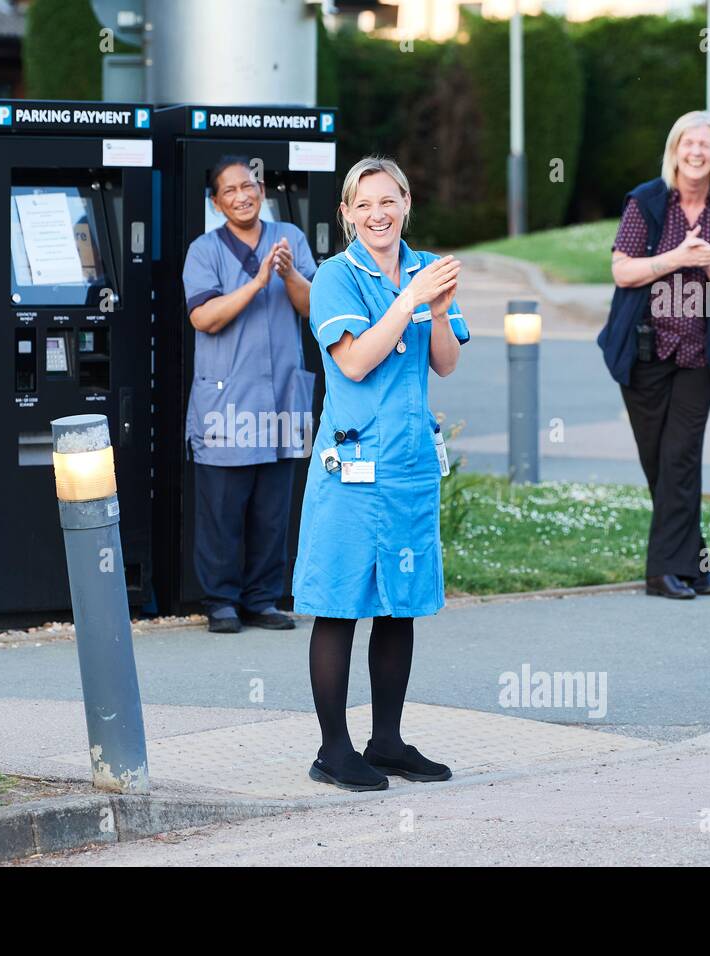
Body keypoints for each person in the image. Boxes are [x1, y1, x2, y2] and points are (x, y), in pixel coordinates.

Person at [292, 156, 470, 792]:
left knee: (400, 607)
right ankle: (332, 750)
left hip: (410, 465)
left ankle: (387, 741)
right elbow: (358, 362)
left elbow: (445, 364)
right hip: (353, 464)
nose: (377, 215)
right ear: (345, 215)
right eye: (363, 204)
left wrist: (442, 308)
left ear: (406, 202)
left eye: (387, 201)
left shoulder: (426, 271)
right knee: (340, 604)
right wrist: (409, 300)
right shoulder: (335, 279)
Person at [600, 110, 710, 600]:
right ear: (675, 149)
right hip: (643, 349)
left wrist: (708, 266)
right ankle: (694, 563)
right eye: (689, 143)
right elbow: (622, 271)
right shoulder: (646, 201)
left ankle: (662, 574)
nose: (697, 152)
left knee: (681, 455)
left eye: (705, 145)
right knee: (659, 462)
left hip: (697, 353)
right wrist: (677, 258)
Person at [182, 155, 318, 633]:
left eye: (249, 185)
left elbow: (311, 308)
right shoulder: (205, 251)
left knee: (272, 508)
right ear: (216, 203)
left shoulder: (290, 239)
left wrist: (287, 275)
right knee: (223, 508)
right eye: (230, 190)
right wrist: (258, 282)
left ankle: (264, 599)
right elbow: (204, 317)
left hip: (282, 396)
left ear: (261, 190)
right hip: (226, 403)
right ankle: (221, 601)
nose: (242, 195)